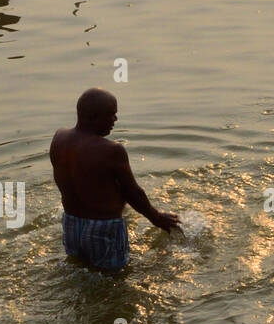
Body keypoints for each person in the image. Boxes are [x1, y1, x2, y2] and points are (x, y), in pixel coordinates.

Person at [49, 88, 181, 272]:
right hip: (104, 229)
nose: (115, 120)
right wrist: (156, 217)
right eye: (111, 115)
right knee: (115, 279)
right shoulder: (112, 150)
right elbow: (132, 192)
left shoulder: (59, 138)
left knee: (79, 270)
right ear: (93, 117)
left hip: (71, 224)